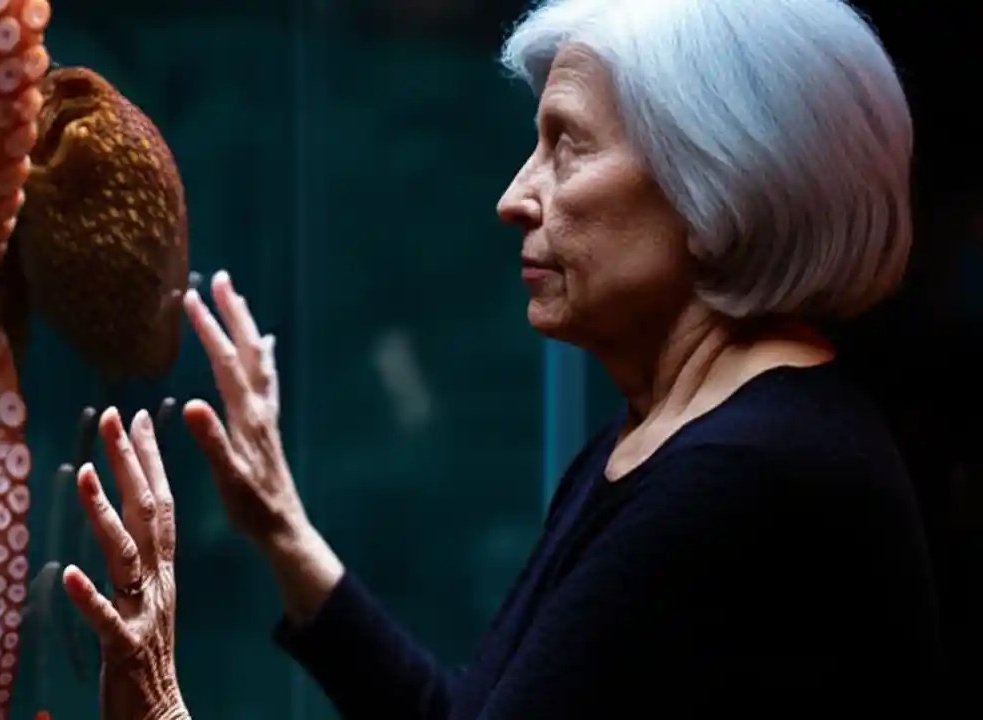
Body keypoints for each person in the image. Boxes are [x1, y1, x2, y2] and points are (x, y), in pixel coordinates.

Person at [58, 0, 943, 717]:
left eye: (567, 146)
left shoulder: (745, 475)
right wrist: (280, 526)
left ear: (717, 189)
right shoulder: (679, 434)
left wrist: (161, 706)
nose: (515, 197)